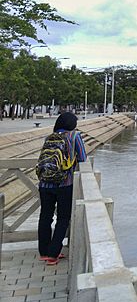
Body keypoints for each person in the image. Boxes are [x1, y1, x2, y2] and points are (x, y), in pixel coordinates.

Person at [37, 112, 86, 266]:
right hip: (64, 184)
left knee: (45, 216)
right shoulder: (74, 137)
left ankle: (44, 252)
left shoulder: (49, 137)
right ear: (72, 124)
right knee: (63, 218)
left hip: (45, 184)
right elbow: (83, 158)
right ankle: (53, 254)